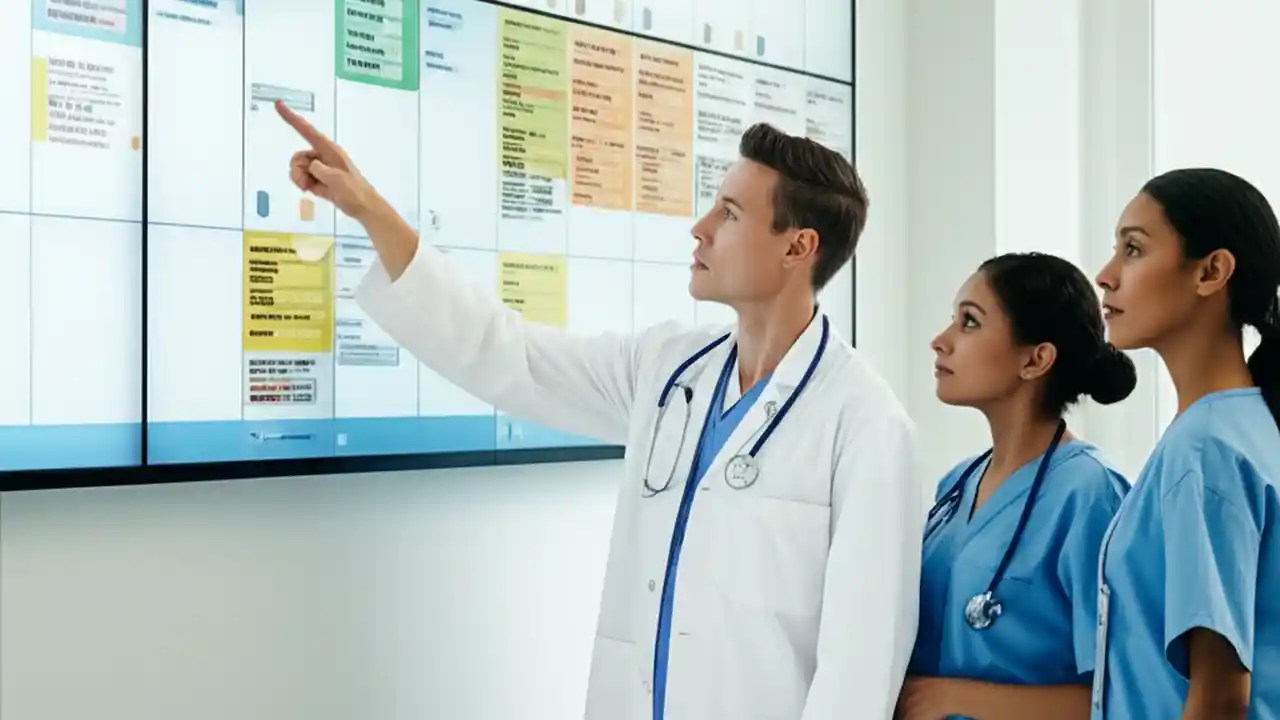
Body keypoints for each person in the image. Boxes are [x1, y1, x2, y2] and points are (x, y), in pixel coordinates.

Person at [274, 101, 921, 719]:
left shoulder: (863, 424)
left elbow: (860, 666)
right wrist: (367, 208)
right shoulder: (668, 367)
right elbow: (511, 355)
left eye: (728, 213)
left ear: (796, 247)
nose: (700, 228)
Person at [895, 253, 1135, 720]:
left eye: (969, 322)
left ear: (1035, 359)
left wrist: (952, 699)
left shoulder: (1090, 495)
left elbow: (1126, 695)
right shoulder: (957, 484)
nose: (940, 342)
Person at [1090, 168, 1280, 720]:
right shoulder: (1247, 427)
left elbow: (1220, 695)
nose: (1105, 276)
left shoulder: (1207, 448)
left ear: (1212, 271)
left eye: (1133, 249)